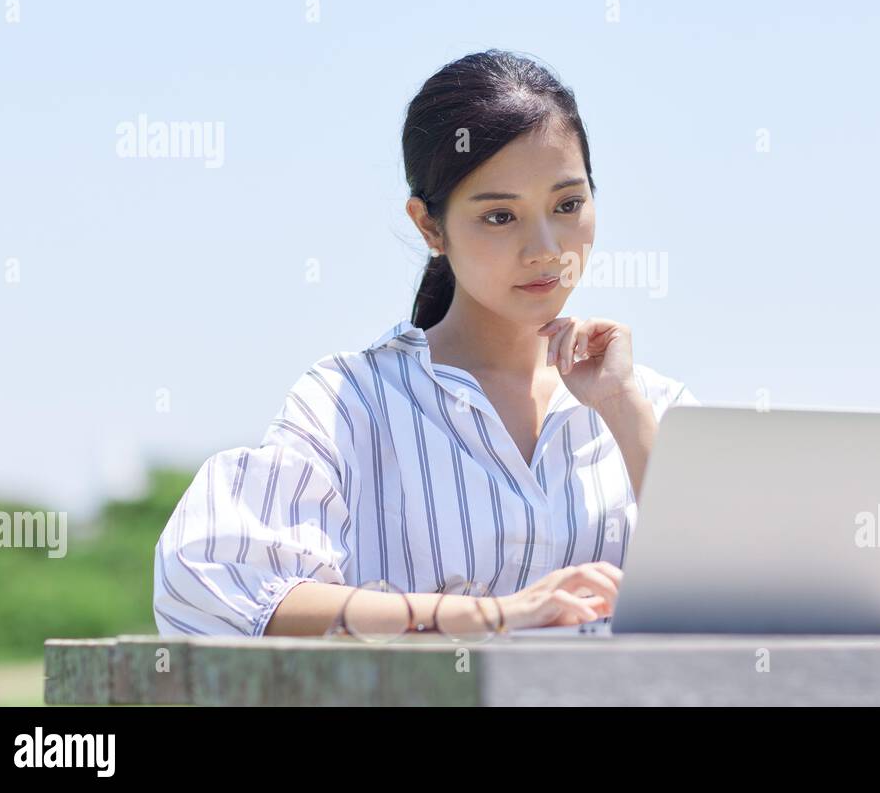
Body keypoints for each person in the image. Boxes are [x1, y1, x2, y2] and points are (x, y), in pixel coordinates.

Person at [153, 49, 699, 638]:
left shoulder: (650, 405)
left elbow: (748, 599)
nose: (546, 248)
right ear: (429, 226)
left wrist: (624, 409)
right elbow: (213, 587)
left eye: (568, 205)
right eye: (499, 217)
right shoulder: (352, 400)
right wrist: (490, 617)